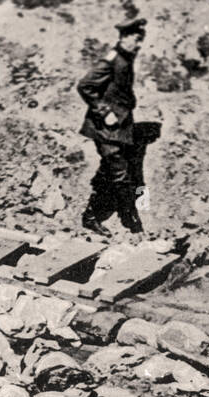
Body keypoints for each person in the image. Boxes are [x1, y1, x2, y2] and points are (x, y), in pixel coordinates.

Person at [77, 17, 147, 236]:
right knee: (120, 174)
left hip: (119, 128)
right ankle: (130, 220)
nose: (138, 44)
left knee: (111, 172)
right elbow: (85, 85)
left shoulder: (125, 58)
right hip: (105, 129)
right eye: (136, 39)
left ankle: (100, 215)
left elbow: (120, 88)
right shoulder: (111, 59)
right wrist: (105, 111)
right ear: (125, 37)